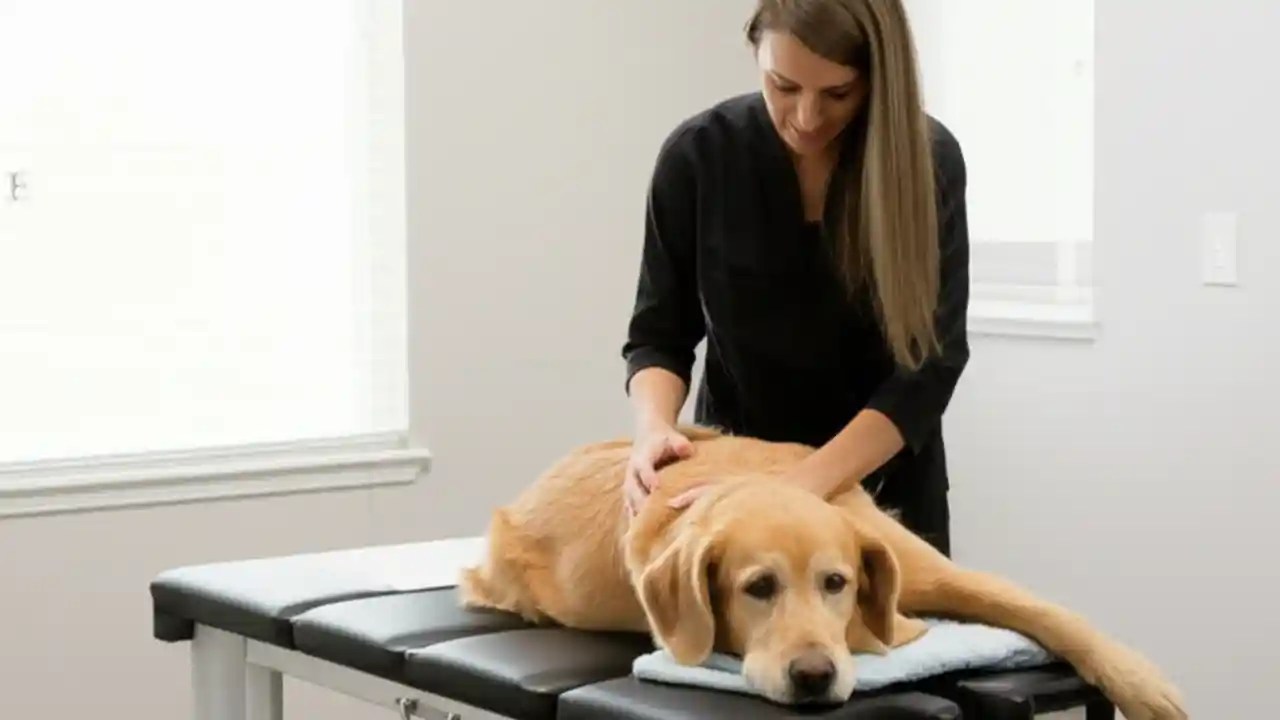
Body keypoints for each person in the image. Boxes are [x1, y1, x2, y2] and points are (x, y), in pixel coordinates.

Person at [619, 0, 970, 557]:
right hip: (737, 483)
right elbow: (659, 335)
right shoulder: (698, 157)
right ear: (755, 50)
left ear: (879, 79)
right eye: (783, 86)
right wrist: (655, 428)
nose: (807, 118)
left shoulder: (928, 164)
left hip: (885, 499)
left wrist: (799, 486)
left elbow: (928, 371)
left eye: (838, 94)